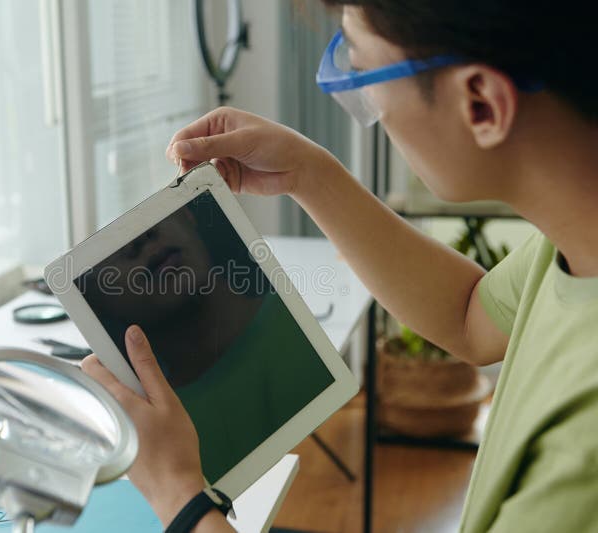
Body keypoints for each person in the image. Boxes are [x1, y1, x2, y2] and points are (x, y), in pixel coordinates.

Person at [82, 2, 598, 532]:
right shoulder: (576, 246)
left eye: (364, 71)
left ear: (481, 105)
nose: (366, 100)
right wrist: (308, 172)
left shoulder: (584, 454)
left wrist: (178, 494)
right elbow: (471, 315)